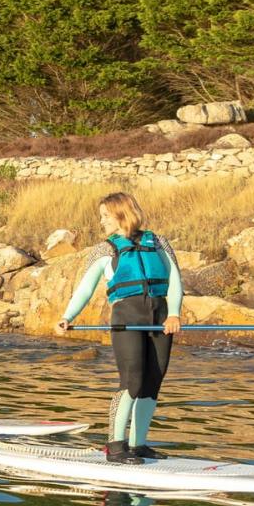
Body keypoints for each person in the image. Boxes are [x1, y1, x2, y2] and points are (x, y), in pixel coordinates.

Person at [55, 192, 182, 463]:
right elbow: (85, 288)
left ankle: (138, 445)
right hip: (127, 318)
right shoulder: (105, 249)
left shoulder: (158, 242)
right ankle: (115, 446)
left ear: (122, 213)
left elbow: (175, 281)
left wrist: (174, 314)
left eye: (105, 216)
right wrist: (68, 316)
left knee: (152, 382)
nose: (101, 222)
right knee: (132, 382)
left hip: (160, 317)